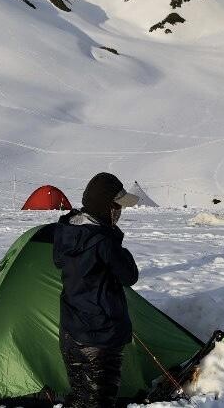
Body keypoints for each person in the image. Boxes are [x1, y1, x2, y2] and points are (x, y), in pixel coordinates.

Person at [53, 172, 141, 408]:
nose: (120, 212)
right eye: (117, 206)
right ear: (106, 207)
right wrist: (114, 239)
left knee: (82, 398)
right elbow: (129, 275)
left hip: (72, 332)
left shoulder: (70, 231)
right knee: (98, 402)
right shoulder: (102, 240)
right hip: (99, 337)